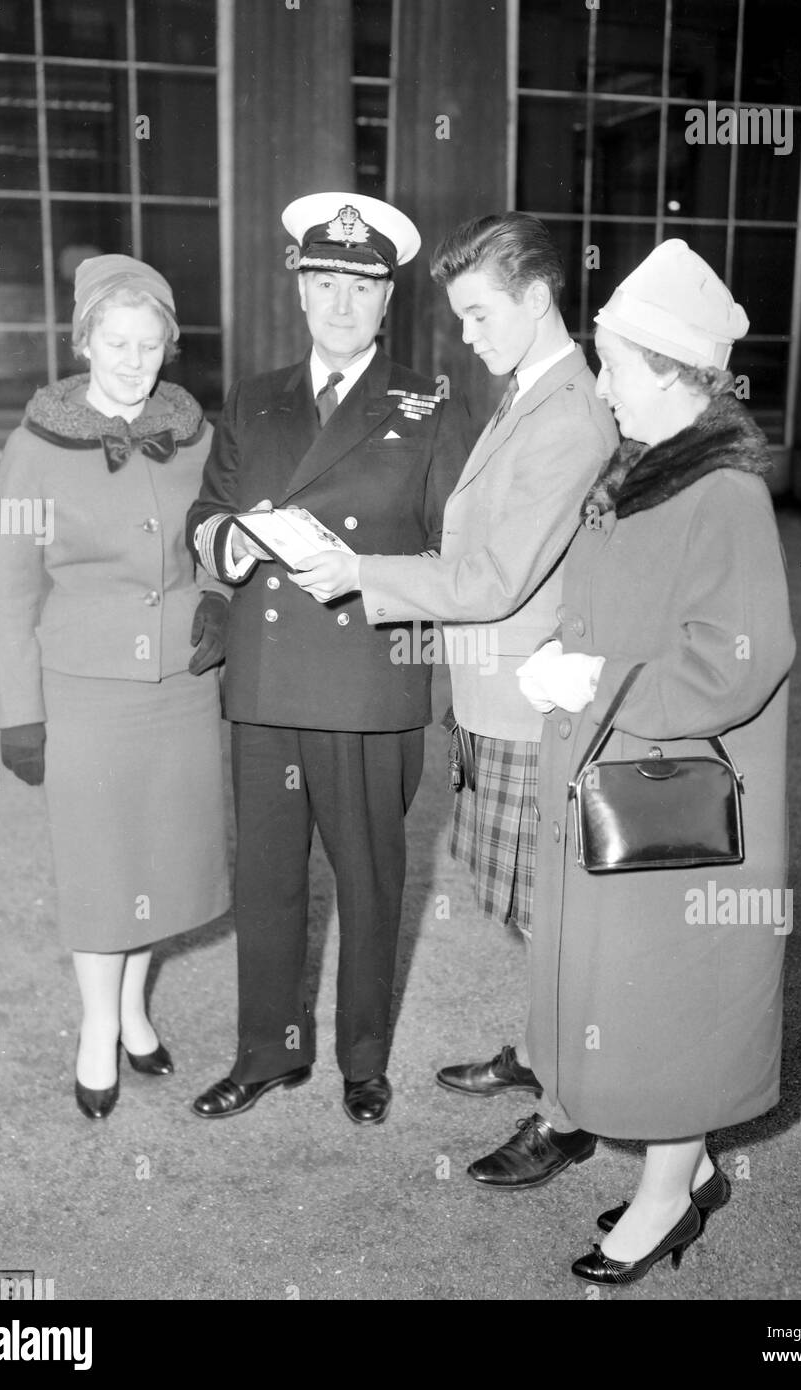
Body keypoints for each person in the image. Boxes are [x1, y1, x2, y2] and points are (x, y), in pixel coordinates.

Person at [291, 212, 617, 1184]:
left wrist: (362, 572)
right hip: (490, 698)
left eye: (479, 316)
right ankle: (541, 1051)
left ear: (535, 298)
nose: (466, 338)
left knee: (551, 920)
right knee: (526, 914)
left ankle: (567, 1112)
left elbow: (489, 583)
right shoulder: (530, 391)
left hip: (531, 711)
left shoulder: (569, 414)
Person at [501, 238, 797, 1285]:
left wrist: (595, 685)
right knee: (631, 992)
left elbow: (741, 657)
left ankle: (668, 1198)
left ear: (676, 375)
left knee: (670, 1000)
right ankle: (697, 1166)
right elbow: (616, 616)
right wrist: (558, 662)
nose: (604, 385)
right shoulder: (641, 473)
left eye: (617, 367)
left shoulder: (722, 494)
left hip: (673, 798)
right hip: (621, 772)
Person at [186, 193, 471, 1126]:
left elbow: (452, 555)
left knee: (371, 882)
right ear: (300, 288)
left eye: (362, 284)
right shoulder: (255, 396)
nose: (342, 302)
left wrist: (356, 571)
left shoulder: (429, 405)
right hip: (266, 680)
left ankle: (361, 1061)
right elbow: (206, 512)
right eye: (325, 281)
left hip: (367, 679)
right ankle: (267, 1053)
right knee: (267, 882)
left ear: (388, 299)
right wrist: (231, 543)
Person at [0, 254, 231, 1121]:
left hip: (181, 688)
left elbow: (219, 543)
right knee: (100, 868)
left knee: (160, 861)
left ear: (170, 344)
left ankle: (133, 1008)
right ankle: (97, 1028)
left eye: (149, 343)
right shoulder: (32, 446)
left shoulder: (200, 435)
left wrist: (220, 601)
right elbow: (10, 588)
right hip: (85, 689)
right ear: (84, 341)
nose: (133, 360)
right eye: (115, 342)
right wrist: (22, 715)